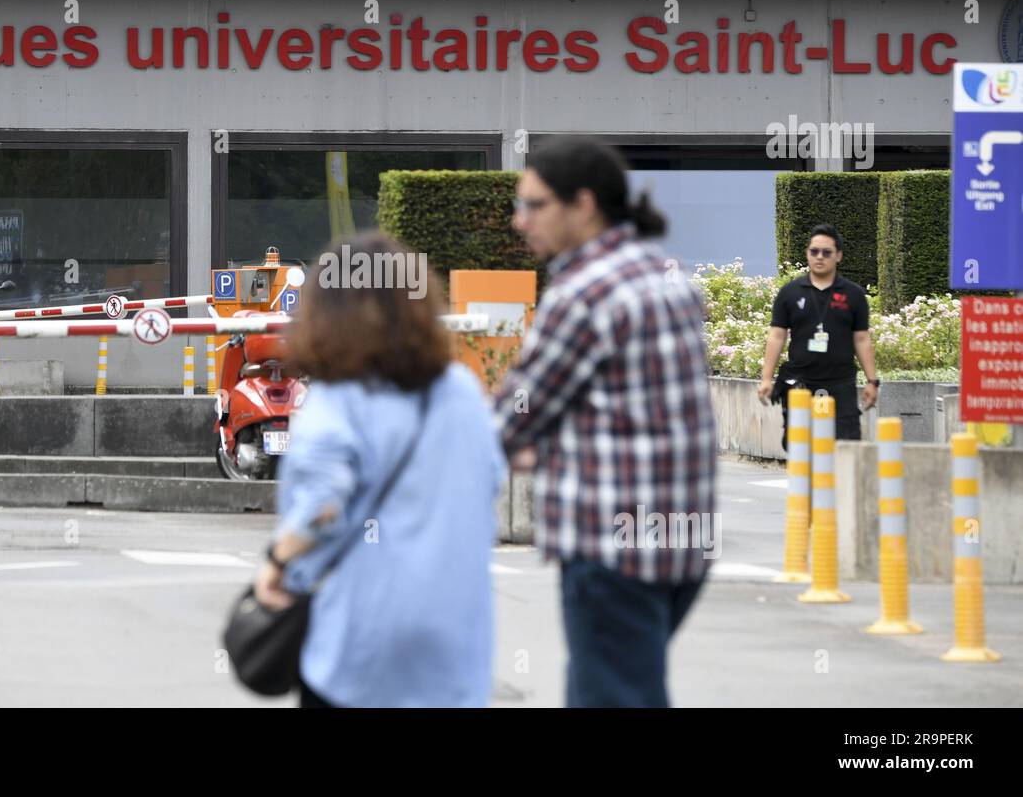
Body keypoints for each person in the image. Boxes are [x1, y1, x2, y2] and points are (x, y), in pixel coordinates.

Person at [494, 136, 717, 708]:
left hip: (611, 545)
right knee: (630, 687)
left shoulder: (584, 294)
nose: (521, 222)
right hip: (682, 539)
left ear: (584, 204)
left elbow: (514, 417)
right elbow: (639, 408)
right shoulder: (671, 277)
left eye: (535, 205)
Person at [251, 231, 507, 708]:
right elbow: (489, 481)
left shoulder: (336, 399)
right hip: (456, 647)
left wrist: (279, 563)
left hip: (362, 650)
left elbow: (322, 509)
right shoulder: (461, 392)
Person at [756, 224, 878, 448]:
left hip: (840, 383)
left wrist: (872, 381)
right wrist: (766, 378)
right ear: (807, 253)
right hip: (801, 383)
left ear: (838, 256)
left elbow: (861, 339)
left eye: (826, 252)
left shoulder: (853, 294)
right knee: (800, 447)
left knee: (845, 446)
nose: (819, 257)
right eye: (814, 252)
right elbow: (777, 336)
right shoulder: (791, 293)